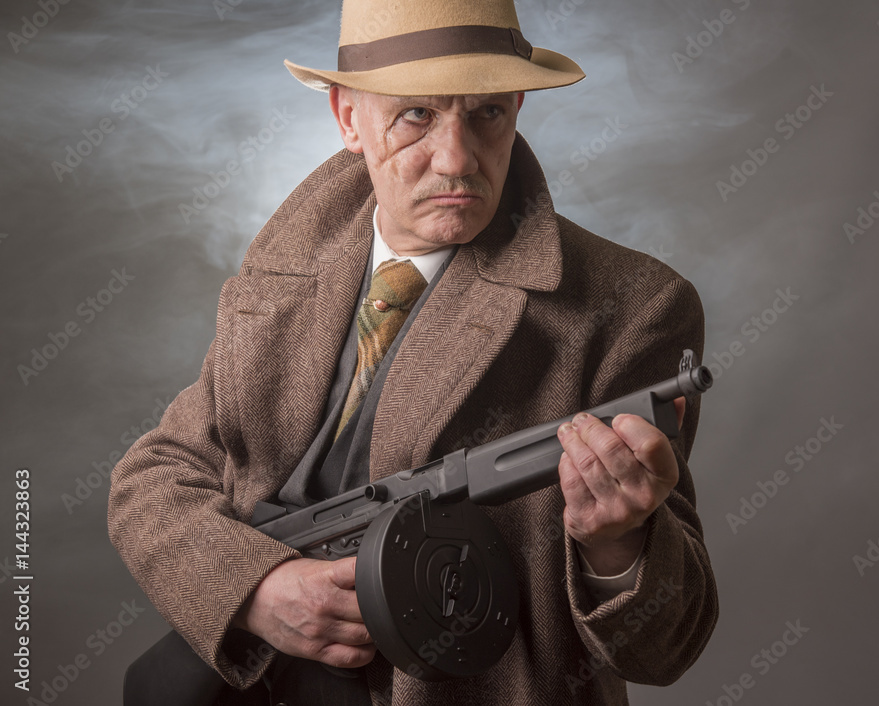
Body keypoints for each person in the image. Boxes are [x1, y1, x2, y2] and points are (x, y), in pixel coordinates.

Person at [108, 1, 719, 704]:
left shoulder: (635, 306)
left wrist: (619, 547)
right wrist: (255, 590)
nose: (457, 159)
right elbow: (155, 473)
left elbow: (669, 644)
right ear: (348, 118)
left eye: (486, 113)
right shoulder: (289, 264)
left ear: (518, 107)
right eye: (416, 115)